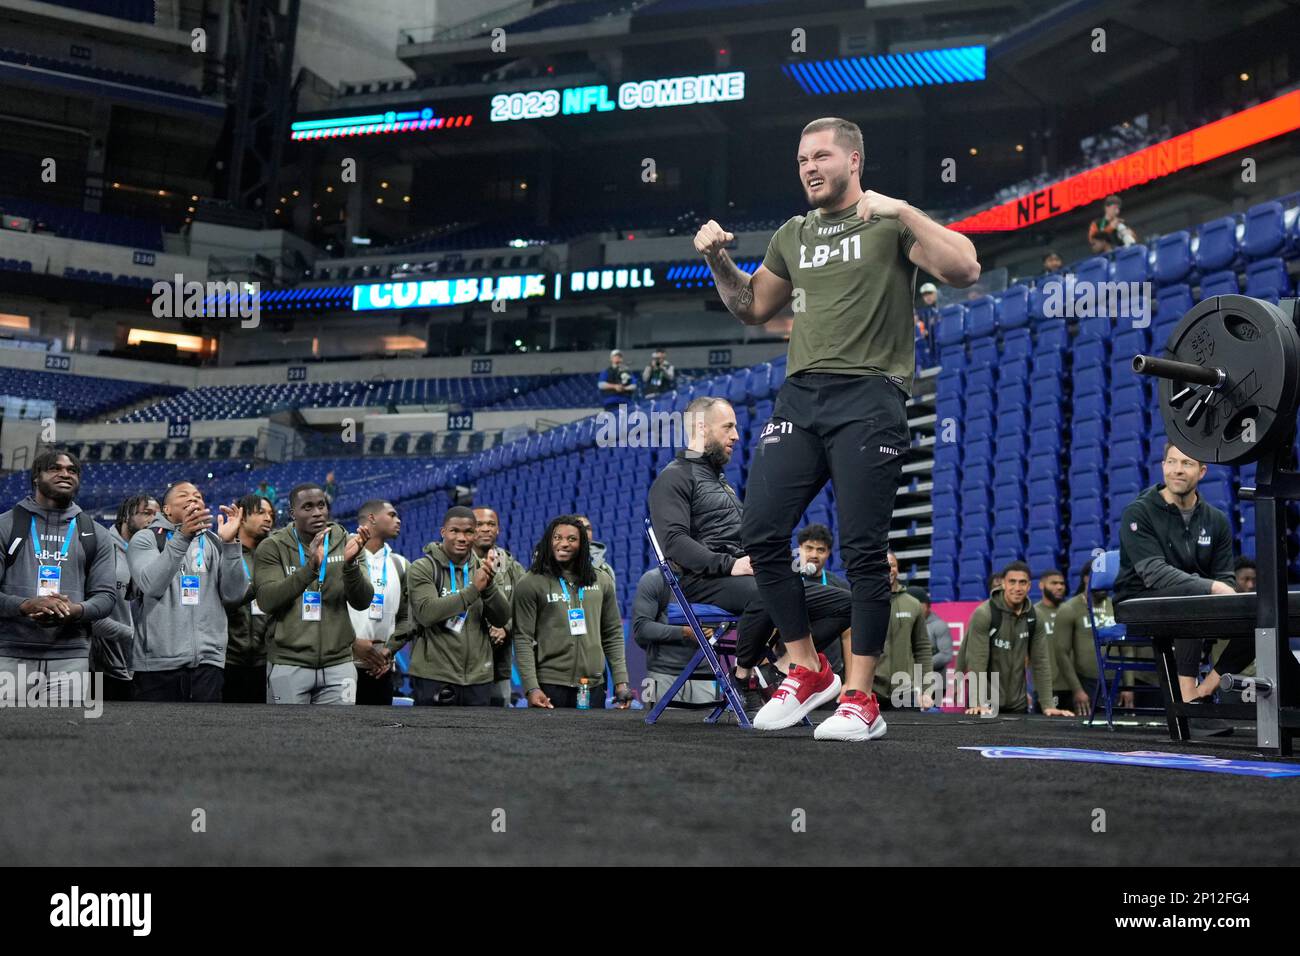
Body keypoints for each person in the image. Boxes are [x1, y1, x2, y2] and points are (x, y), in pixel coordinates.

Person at [696, 115, 981, 739]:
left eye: (821, 156)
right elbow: (751, 307)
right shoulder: (791, 234)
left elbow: (965, 269)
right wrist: (720, 260)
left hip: (872, 395)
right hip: (801, 396)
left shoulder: (887, 222)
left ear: (854, 160)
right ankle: (808, 670)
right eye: (801, 159)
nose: (809, 168)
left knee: (861, 550)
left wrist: (902, 209)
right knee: (763, 532)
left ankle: (860, 698)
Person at [647, 395, 851, 715]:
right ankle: (742, 675)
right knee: (768, 593)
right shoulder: (674, 476)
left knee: (845, 603)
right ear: (701, 427)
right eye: (728, 427)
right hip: (705, 579)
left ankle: (780, 667)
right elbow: (673, 542)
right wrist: (729, 565)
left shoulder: (721, 483)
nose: (736, 437)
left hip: (748, 576)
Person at [1113, 442, 1300, 709]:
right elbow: (1153, 573)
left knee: (1263, 610)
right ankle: (1186, 690)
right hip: (1139, 597)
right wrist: (1211, 587)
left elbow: (1225, 576)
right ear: (1163, 466)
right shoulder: (1139, 512)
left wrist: (1218, 588)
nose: (1178, 470)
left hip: (1195, 600)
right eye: (1172, 462)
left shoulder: (1217, 520)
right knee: (1193, 596)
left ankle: (1206, 688)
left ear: (1202, 471)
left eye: (1187, 464)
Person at [0, 449, 117, 705]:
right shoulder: (5, 526)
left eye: (72, 470)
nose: (65, 473)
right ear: (36, 478)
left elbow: (106, 597)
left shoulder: (96, 534)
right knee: (8, 740)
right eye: (55, 468)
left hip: (71, 658)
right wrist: (24, 605)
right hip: (9, 655)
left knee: (66, 741)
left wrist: (74, 610)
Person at [128, 481, 248, 702]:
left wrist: (231, 544)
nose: (194, 499)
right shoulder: (146, 538)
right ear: (166, 509)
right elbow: (151, 585)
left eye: (198, 496)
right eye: (184, 495)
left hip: (208, 664)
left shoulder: (214, 541)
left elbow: (235, 595)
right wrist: (183, 537)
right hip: (157, 666)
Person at [254, 483, 373, 705]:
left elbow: (362, 601)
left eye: (321, 505)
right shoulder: (273, 547)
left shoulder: (348, 543)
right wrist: (310, 569)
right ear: (292, 513)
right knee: (285, 736)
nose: (317, 512)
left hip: (339, 664)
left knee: (339, 734)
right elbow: (267, 600)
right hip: (288, 663)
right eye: (307, 507)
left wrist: (350, 566)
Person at [512, 515, 631, 709]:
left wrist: (621, 682)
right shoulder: (530, 582)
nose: (564, 543)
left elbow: (613, 634)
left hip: (593, 685)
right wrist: (531, 688)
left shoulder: (602, 581)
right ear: (548, 541)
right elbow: (523, 638)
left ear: (583, 544)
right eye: (557, 537)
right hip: (550, 686)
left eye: (572, 539)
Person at [393, 506, 508, 706]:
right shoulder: (423, 567)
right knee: (434, 737)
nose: (462, 538)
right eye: (455, 531)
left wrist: (488, 588)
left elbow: (501, 617)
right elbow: (426, 613)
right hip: (434, 676)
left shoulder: (484, 569)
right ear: (443, 532)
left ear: (475, 534)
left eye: (468, 532)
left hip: (478, 678)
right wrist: (473, 590)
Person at [961, 562, 1073, 716]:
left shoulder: (1035, 616)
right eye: (1012, 582)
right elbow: (976, 661)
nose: (1017, 588)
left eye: (1023, 582)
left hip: (1018, 703)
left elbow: (1040, 662)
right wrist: (977, 702)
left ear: (1029, 586)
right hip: (986, 703)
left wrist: (1047, 704)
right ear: (1003, 584)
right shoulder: (984, 613)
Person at [94, 493, 158, 701]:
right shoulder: (100, 547)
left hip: (147, 668)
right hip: (104, 669)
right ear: (124, 516)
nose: (153, 520)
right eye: (146, 513)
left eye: (157, 515)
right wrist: (133, 634)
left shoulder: (159, 553)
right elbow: (91, 615)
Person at [348, 499, 409, 705]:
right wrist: (352, 643)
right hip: (343, 666)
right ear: (372, 518)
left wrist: (389, 650)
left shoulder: (400, 565)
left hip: (382, 669)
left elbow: (406, 618)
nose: (398, 520)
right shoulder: (344, 556)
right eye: (392, 515)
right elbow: (329, 610)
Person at [632, 567, 722, 707]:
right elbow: (641, 628)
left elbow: (729, 618)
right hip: (663, 674)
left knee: (709, 725)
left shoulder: (714, 579)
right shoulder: (654, 579)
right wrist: (684, 632)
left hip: (706, 673)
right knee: (661, 728)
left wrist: (716, 627)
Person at [223, 494, 275, 704]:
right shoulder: (223, 551)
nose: (268, 518)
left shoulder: (273, 556)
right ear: (242, 517)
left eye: (271, 514)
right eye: (261, 512)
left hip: (266, 660)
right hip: (229, 659)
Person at [472, 506, 527, 706]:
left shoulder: (512, 567)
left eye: (491, 524)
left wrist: (506, 627)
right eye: (479, 524)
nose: (486, 529)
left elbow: (526, 609)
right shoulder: (458, 564)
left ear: (498, 530)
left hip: (499, 667)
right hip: (462, 666)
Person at [874, 556, 933, 708]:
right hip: (871, 691)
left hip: (906, 692)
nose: (888, 569)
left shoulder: (913, 604)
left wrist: (926, 689)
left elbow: (922, 649)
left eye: (892, 565)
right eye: (883, 565)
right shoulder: (864, 603)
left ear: (898, 569)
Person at [1049, 558, 1103, 716]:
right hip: (1087, 682)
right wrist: (1077, 689)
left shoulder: (1113, 605)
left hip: (1115, 682)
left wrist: (1127, 686)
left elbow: (1125, 648)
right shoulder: (1069, 608)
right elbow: (1061, 652)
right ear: (1086, 578)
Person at [908, 586, 952, 698]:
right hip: (909, 682)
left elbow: (946, 655)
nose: (914, 608)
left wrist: (920, 665)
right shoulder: (906, 625)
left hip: (936, 682)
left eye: (918, 605)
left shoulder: (938, 625)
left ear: (928, 606)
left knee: (932, 713)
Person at [795, 524, 849, 589]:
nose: (814, 555)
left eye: (820, 550)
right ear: (800, 549)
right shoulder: (785, 581)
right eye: (809, 548)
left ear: (828, 553)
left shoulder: (841, 587)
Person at [575, 514, 616, 587]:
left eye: (588, 528)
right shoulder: (558, 568)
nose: (585, 532)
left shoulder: (606, 569)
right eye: (580, 528)